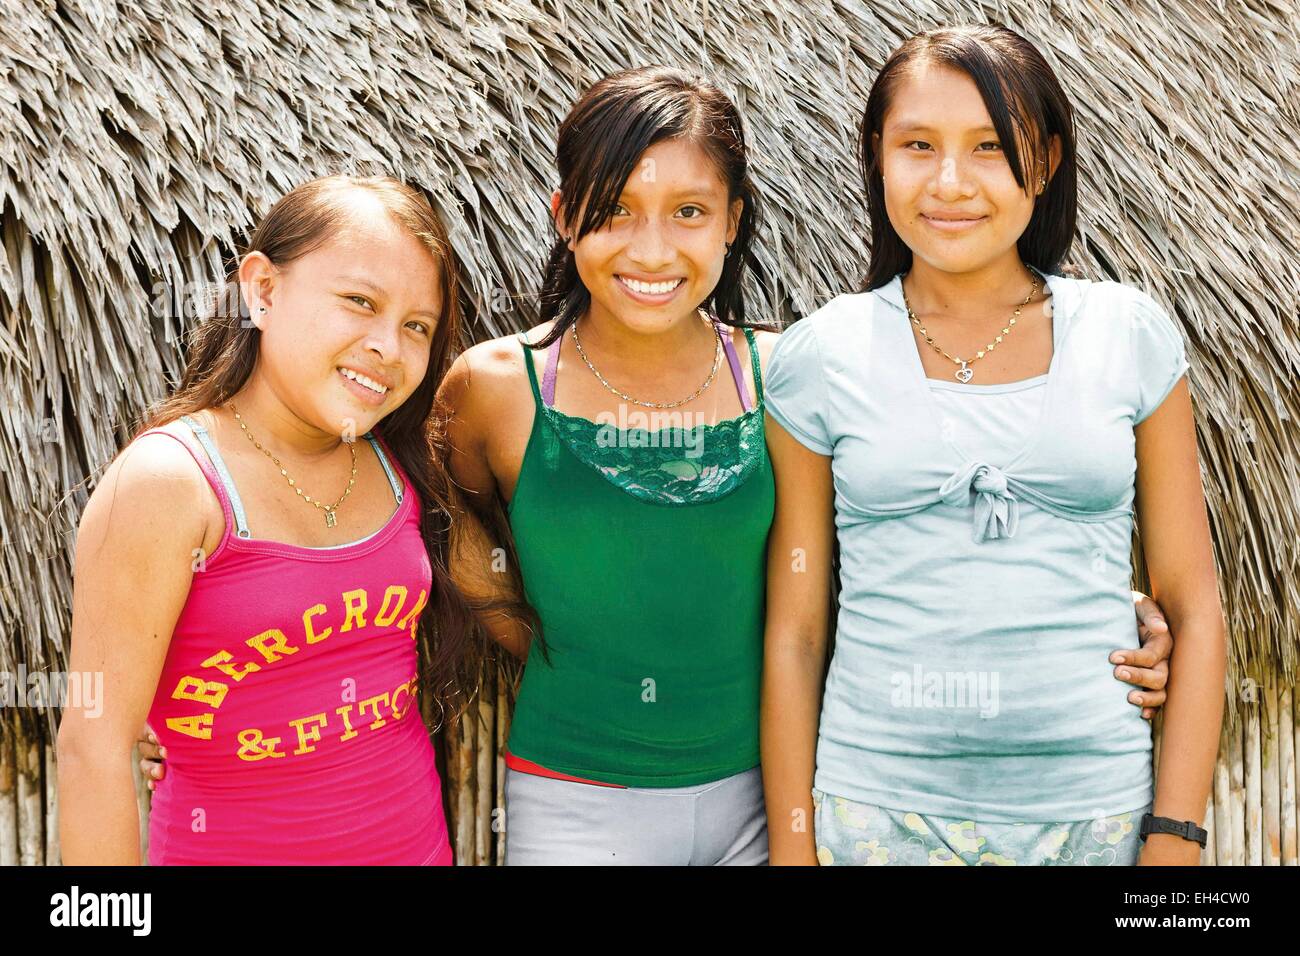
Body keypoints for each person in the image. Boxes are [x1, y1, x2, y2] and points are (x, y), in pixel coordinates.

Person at [135, 68, 1177, 866]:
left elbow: (896, 522)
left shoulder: (787, 377)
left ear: (732, 223)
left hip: (768, 801)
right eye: (615, 207)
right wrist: (167, 693)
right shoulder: (491, 389)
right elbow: (408, 521)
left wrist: (1097, 607)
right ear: (562, 217)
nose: (650, 246)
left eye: (689, 212)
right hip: (571, 799)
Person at [761, 25, 1226, 866]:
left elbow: (1191, 604)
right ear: (876, 157)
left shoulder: (1131, 336)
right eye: (918, 146)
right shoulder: (818, 358)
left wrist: (1176, 839)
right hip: (878, 816)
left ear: (1044, 162)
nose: (950, 182)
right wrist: (795, 851)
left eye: (989, 148)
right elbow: (796, 630)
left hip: (1099, 818)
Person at [58, 175, 483, 864]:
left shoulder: (400, 462)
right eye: (358, 302)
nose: (389, 346)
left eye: (417, 326)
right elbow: (92, 750)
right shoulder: (170, 483)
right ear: (262, 290)